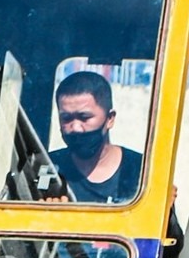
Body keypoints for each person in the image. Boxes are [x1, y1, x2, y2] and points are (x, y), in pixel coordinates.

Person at [47, 70, 142, 205]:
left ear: (110, 119)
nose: (76, 128)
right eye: (66, 118)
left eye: (84, 117)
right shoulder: (44, 168)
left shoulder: (141, 171)